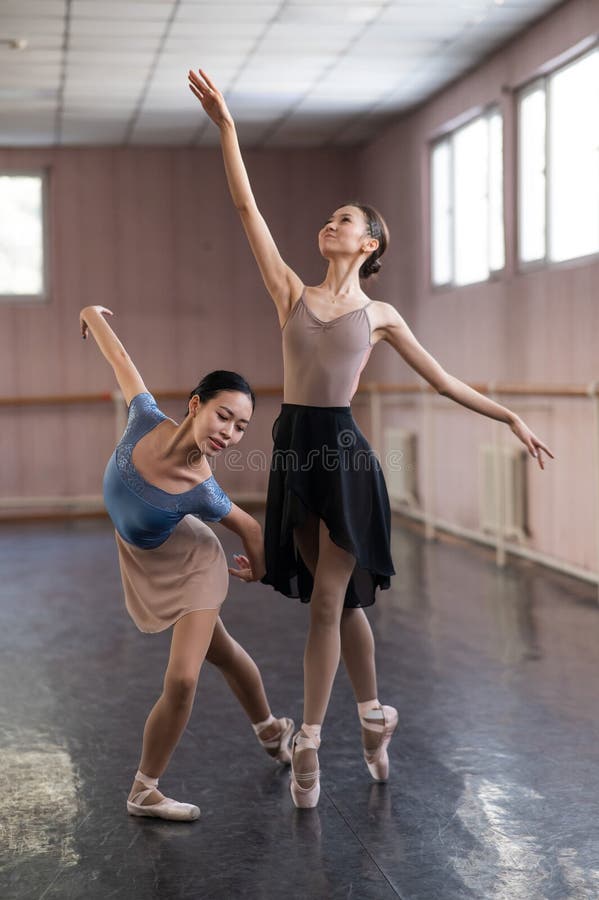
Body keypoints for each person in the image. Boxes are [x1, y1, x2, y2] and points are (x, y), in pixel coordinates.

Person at [188, 68, 554, 808]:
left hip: (345, 458)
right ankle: (373, 716)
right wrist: (227, 127)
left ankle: (312, 745)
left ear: (371, 241)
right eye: (329, 217)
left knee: (329, 602)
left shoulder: (381, 315)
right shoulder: (290, 291)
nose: (332, 224)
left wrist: (509, 415)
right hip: (296, 449)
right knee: (343, 605)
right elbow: (243, 205)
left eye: (346, 219)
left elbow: (443, 381)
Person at [80, 305, 294, 821]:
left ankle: (144, 789)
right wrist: (91, 314)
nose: (230, 434)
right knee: (222, 651)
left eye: (242, 427)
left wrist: (257, 570)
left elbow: (250, 527)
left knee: (182, 678)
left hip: (195, 563)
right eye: (223, 416)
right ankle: (270, 728)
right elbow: (121, 359)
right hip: (147, 558)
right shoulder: (144, 417)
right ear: (195, 405)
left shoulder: (203, 488)